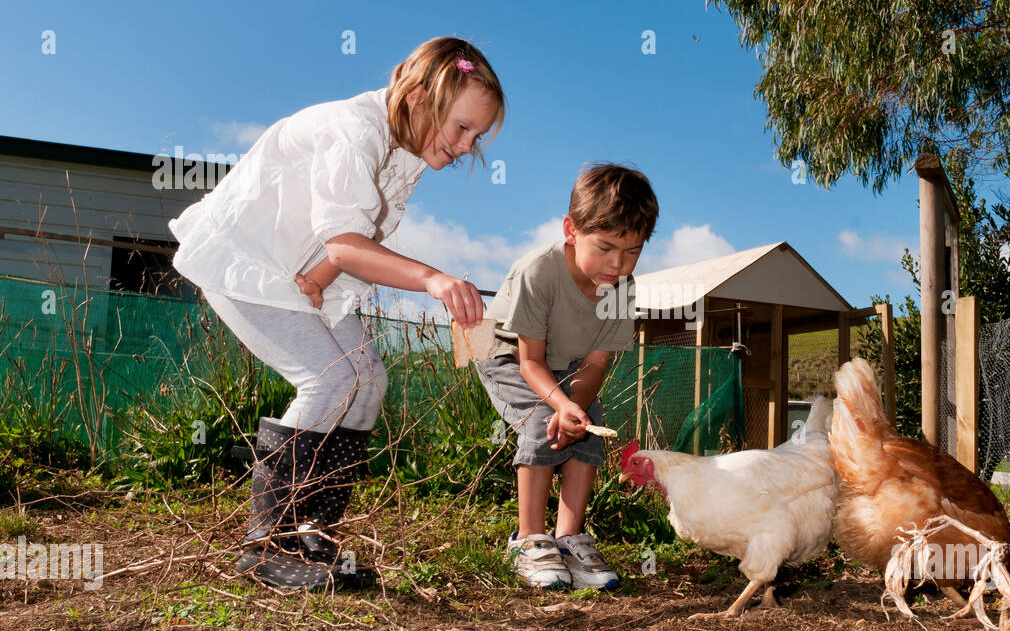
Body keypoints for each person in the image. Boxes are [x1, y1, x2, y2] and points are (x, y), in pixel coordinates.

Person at [168, 36, 504, 591]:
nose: (468, 146)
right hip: (243, 260)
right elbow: (349, 241)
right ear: (418, 97)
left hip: (298, 275)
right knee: (326, 381)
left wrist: (320, 279)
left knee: (367, 380)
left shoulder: (407, 150)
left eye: (478, 136)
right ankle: (266, 547)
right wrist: (434, 280)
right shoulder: (354, 132)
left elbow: (343, 240)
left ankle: (311, 535)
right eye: (462, 127)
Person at [475, 163, 657, 590]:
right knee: (543, 421)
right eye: (606, 247)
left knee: (588, 424)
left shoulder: (621, 289)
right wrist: (558, 405)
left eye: (632, 252)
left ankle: (568, 539)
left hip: (566, 366)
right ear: (571, 229)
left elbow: (595, 364)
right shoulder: (538, 271)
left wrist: (574, 406)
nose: (618, 264)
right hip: (503, 353)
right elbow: (528, 363)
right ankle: (528, 541)